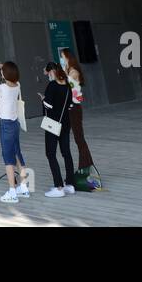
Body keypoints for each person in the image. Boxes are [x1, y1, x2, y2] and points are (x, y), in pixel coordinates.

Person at [59, 48, 100, 191]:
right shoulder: (69, 71)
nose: (62, 59)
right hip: (72, 107)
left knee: (79, 138)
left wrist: (63, 75)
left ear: (69, 58)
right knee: (78, 139)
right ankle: (85, 167)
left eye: (63, 57)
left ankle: (86, 167)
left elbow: (70, 90)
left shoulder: (73, 72)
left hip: (74, 108)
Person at [0, 61, 29, 203]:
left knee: (8, 158)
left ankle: (12, 192)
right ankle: (24, 187)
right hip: (14, 123)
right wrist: (4, 67)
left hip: (5, 124)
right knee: (17, 154)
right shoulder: (18, 86)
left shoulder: (1, 88)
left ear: (4, 74)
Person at [40, 63, 75, 197]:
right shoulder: (67, 85)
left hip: (53, 124)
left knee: (51, 154)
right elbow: (70, 105)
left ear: (51, 72)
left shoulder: (52, 85)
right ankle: (70, 184)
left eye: (48, 73)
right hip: (66, 123)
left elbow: (48, 105)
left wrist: (43, 99)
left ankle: (59, 186)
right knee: (66, 153)